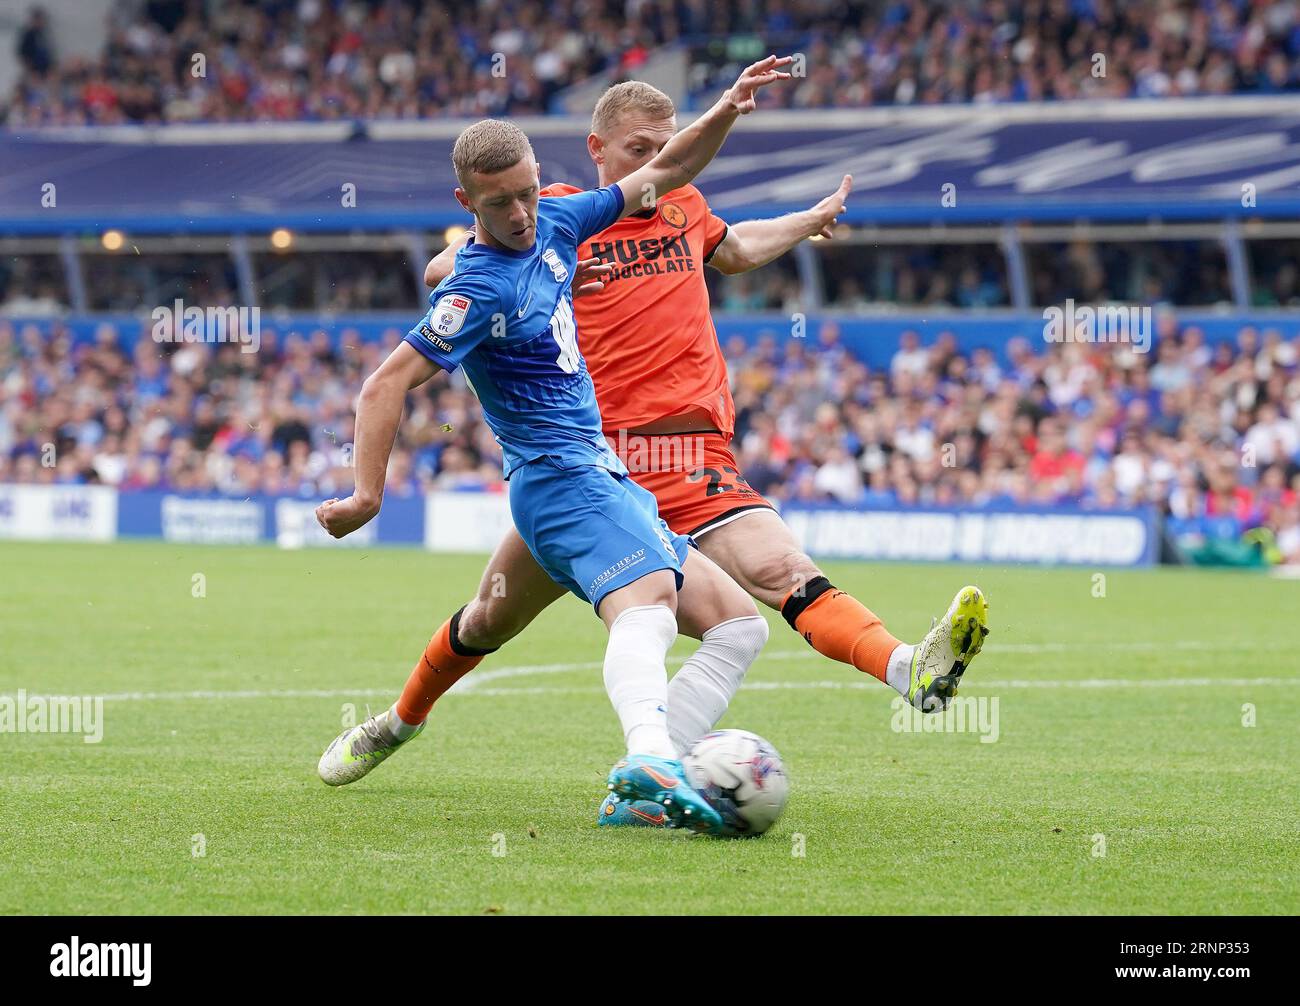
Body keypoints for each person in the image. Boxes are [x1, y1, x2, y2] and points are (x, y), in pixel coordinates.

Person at [316, 57, 799, 835]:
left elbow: (668, 171)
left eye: (529, 193)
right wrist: (367, 496)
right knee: (646, 602)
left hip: (593, 476)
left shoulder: (563, 224)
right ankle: (648, 761)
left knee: (505, 623)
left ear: (545, 178)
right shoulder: (477, 289)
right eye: (499, 202)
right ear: (465, 202)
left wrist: (729, 108)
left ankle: (395, 726)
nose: (519, 214)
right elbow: (383, 385)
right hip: (561, 480)